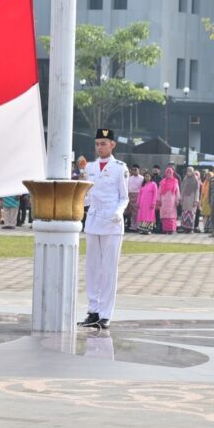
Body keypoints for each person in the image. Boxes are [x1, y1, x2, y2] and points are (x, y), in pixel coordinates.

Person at [78, 128, 129, 329]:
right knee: (92, 269)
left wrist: (118, 212)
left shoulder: (119, 168)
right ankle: (93, 311)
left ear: (112, 145)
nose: (100, 147)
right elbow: (87, 195)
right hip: (93, 220)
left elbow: (124, 197)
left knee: (108, 270)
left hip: (112, 222)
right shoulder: (90, 167)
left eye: (104, 144)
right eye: (97, 143)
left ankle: (105, 314)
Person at [157, 167, 180, 234]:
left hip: (172, 201)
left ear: (172, 173)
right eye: (167, 172)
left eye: (170, 172)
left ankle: (172, 229)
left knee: (171, 215)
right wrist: (158, 200)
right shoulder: (162, 182)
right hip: (163, 200)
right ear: (165, 173)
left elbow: (177, 191)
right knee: (165, 215)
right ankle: (165, 229)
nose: (169, 174)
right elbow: (159, 192)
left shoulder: (175, 181)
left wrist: (177, 200)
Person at [179, 167, 199, 233]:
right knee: (185, 213)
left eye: (190, 171)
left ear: (193, 172)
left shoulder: (195, 180)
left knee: (191, 214)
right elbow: (182, 189)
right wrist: (181, 198)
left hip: (192, 198)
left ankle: (190, 228)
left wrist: (196, 200)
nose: (188, 172)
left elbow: (197, 191)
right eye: (188, 171)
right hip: (185, 198)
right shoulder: (185, 179)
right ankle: (185, 227)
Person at [126, 164, 144, 231]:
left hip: (138, 195)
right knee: (131, 212)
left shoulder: (142, 178)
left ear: (139, 170)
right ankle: (133, 226)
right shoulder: (129, 178)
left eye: (135, 170)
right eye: (133, 170)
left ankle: (138, 226)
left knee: (137, 212)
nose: (134, 171)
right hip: (130, 195)